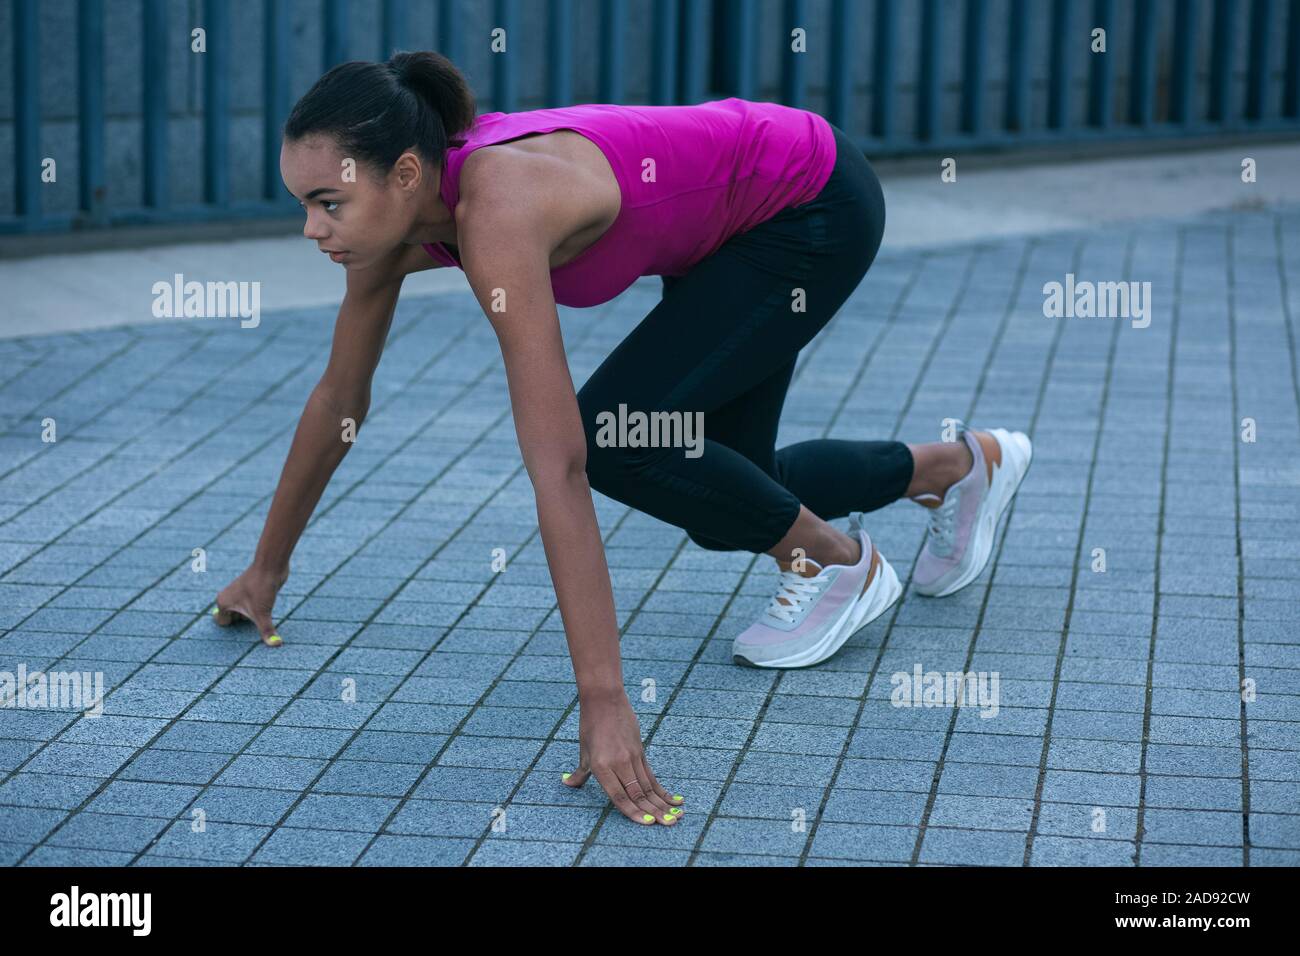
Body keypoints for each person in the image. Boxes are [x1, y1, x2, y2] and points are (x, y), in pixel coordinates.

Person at [210, 50, 1032, 829]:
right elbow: (338, 399)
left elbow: (561, 466)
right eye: (304, 204)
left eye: (329, 202)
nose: (312, 229)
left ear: (407, 174)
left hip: (809, 203)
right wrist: (266, 568)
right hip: (732, 232)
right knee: (728, 492)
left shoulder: (499, 209)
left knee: (613, 436)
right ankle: (961, 467)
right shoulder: (387, 234)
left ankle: (840, 563)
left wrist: (604, 703)